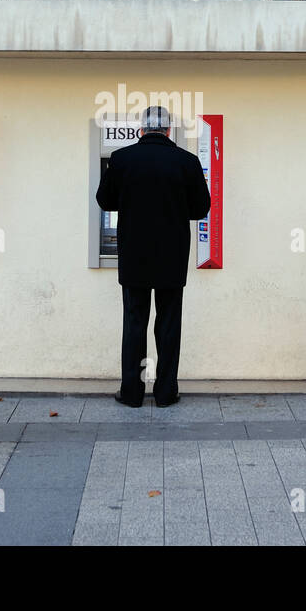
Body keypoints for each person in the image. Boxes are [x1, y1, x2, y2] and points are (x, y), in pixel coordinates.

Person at [96, 105, 211, 407]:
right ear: (170, 131)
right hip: (172, 258)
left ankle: (132, 392)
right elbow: (201, 209)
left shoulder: (121, 159)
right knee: (169, 323)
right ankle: (165, 392)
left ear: (141, 130)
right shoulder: (187, 161)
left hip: (134, 256)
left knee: (135, 322)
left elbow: (104, 201)